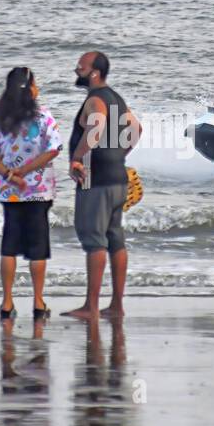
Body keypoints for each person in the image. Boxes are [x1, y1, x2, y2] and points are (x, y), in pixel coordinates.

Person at [63, 51, 142, 320]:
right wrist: (119, 155)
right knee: (115, 239)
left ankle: (91, 307)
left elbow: (95, 129)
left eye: (81, 67)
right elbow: (136, 128)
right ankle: (116, 305)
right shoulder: (116, 98)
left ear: (94, 72)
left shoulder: (95, 99)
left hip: (94, 178)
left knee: (94, 241)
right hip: (117, 176)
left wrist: (77, 159)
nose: (76, 71)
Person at [0, 67, 63, 320]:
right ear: (31, 88)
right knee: (38, 248)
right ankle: (38, 301)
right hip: (38, 191)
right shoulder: (43, 115)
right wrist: (25, 171)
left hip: (10, 192)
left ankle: (7, 302)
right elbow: (54, 148)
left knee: (9, 247)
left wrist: (9, 174)